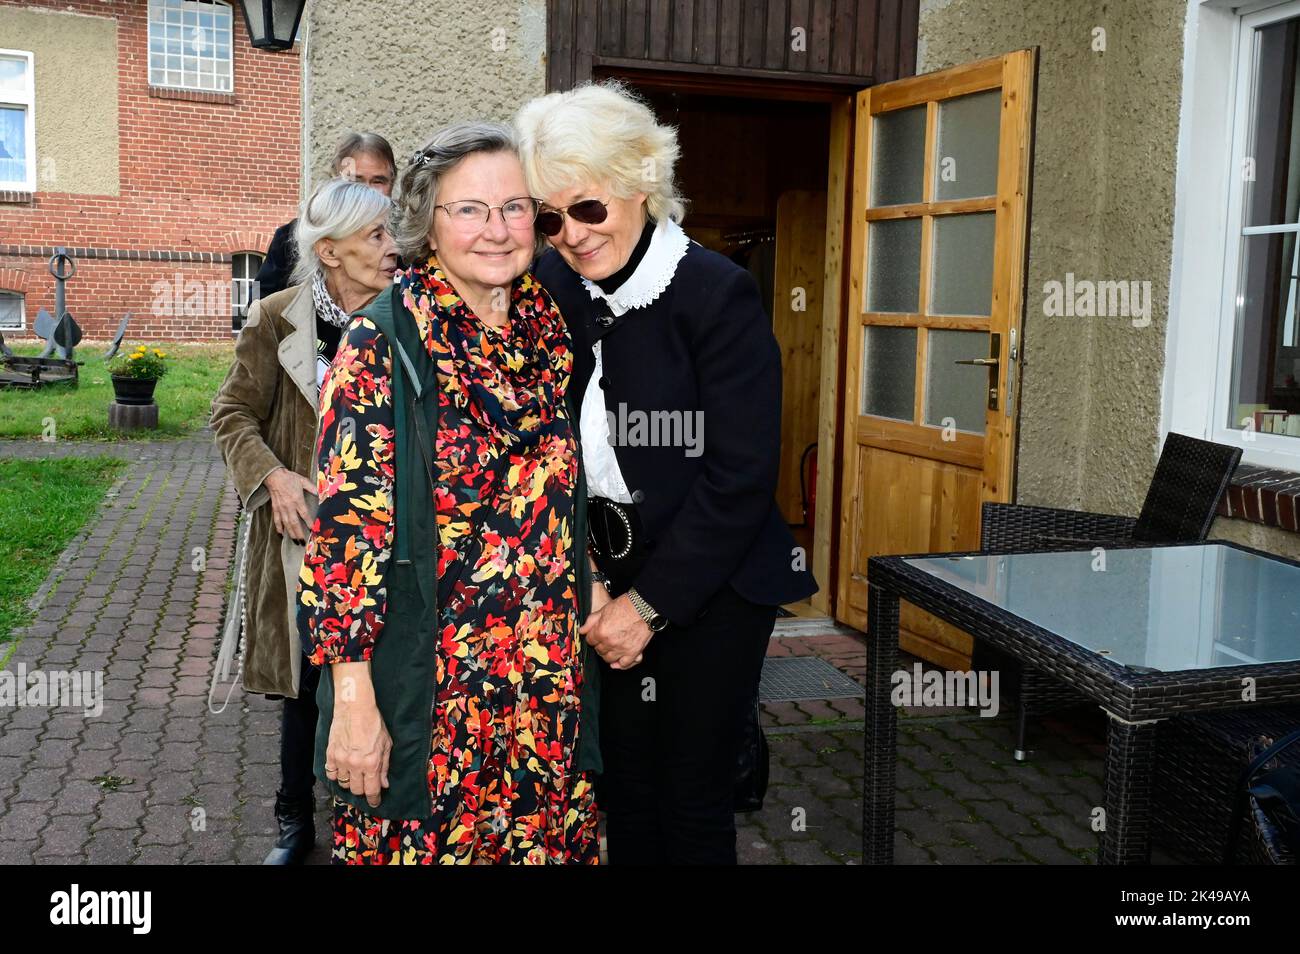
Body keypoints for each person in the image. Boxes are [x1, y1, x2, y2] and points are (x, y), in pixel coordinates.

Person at [516, 81, 818, 865]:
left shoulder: (716, 293)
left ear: (641, 180)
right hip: (603, 578)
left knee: (692, 799)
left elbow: (740, 477)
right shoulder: (549, 289)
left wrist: (645, 609)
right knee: (625, 785)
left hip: (710, 588)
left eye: (588, 209)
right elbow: (539, 448)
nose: (572, 235)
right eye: (549, 218)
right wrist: (590, 583)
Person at [297, 121, 600, 864]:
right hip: (431, 700)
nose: (497, 230)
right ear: (426, 225)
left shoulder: (548, 329)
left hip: (542, 693)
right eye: (469, 209)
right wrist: (354, 701)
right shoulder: (384, 343)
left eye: (515, 207)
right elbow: (345, 543)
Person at [211, 178, 398, 864]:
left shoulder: (407, 321)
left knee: (385, 678)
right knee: (305, 685)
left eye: (391, 232)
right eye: (377, 236)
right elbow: (231, 414)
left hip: (388, 547)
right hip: (304, 542)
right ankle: (295, 819)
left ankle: (376, 811)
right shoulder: (275, 318)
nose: (393, 249)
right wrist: (272, 475)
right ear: (330, 251)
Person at [255, 132, 398, 299]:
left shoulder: (406, 244)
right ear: (335, 182)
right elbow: (257, 307)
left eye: (378, 181)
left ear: (392, 183)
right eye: (356, 181)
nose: (366, 191)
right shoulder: (293, 237)